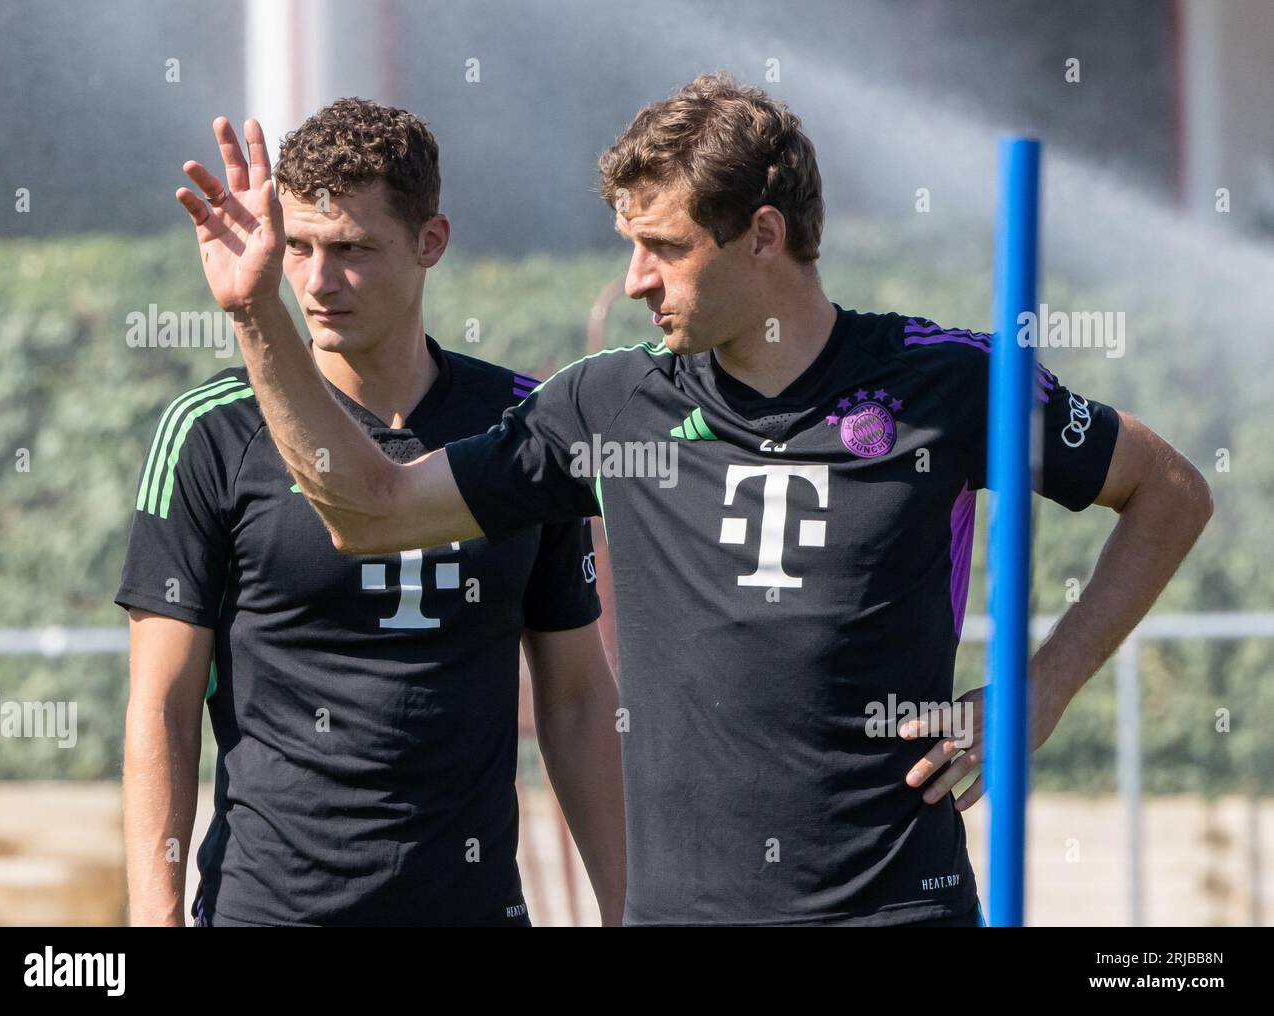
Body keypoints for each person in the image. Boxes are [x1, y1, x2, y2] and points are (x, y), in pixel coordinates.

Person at [175, 76, 1212, 926]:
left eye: (662, 247)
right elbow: (372, 509)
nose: (634, 280)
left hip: (899, 909)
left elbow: (1166, 491)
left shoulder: (949, 383)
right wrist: (257, 314)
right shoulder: (605, 404)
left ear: (761, 234)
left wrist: (1034, 695)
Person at [119, 98, 625, 927]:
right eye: (301, 248)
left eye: (353, 249)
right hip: (269, 913)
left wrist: (626, 911)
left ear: (430, 243)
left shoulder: (524, 428)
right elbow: (161, 707)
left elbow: (574, 697)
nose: (319, 282)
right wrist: (155, 920)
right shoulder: (210, 432)